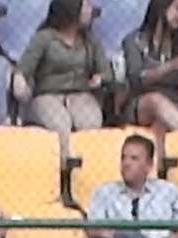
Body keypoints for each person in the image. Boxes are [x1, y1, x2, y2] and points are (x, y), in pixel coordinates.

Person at [13, 0, 111, 150]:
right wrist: (19, 81)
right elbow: (24, 68)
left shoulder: (90, 40)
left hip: (80, 94)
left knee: (90, 123)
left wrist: (99, 78)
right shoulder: (44, 38)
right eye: (85, 6)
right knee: (60, 124)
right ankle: (64, 166)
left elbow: (106, 71)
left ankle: (87, 167)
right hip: (47, 95)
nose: (90, 10)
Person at [122, 0, 178, 134]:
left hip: (175, 105)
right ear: (161, 8)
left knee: (159, 127)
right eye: (177, 9)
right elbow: (136, 79)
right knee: (155, 100)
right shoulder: (134, 40)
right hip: (142, 104)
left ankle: (160, 155)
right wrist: (170, 67)